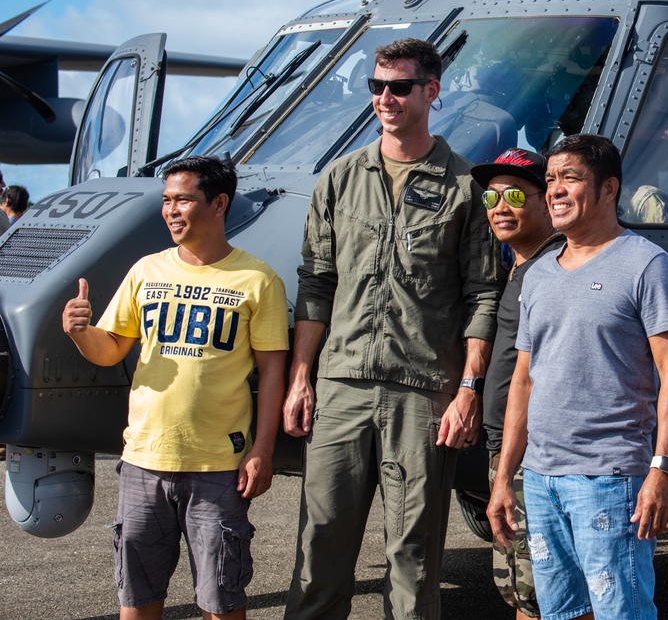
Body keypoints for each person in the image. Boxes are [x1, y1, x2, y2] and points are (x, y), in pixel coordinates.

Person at [283, 37, 503, 620]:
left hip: (422, 391)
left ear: (431, 91)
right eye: (377, 86)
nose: (385, 97)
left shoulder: (464, 188)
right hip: (343, 384)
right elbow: (316, 283)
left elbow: (484, 294)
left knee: (412, 557)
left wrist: (468, 390)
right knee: (320, 545)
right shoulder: (339, 178)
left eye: (399, 87)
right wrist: (302, 378)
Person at [61, 154, 289, 620]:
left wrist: (263, 449)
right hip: (144, 461)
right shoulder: (147, 271)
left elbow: (271, 374)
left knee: (220, 602)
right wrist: (80, 332)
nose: (171, 210)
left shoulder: (259, 280)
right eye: (167, 200)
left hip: (218, 467)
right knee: (138, 601)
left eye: (183, 199)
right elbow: (110, 350)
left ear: (219, 203)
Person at [487, 134, 668, 619]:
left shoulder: (647, 265)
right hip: (539, 479)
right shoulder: (538, 275)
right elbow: (524, 382)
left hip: (610, 478)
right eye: (551, 179)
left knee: (622, 612)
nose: (555, 190)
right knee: (557, 614)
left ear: (609, 189)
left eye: (571, 178)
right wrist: (504, 478)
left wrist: (662, 470)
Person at [472, 148, 563, 620]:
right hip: (505, 446)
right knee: (516, 584)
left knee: (541, 585)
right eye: (490, 196)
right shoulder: (520, 265)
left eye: (513, 195)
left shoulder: (554, 268)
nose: (499, 207)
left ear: (547, 200)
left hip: (534, 452)